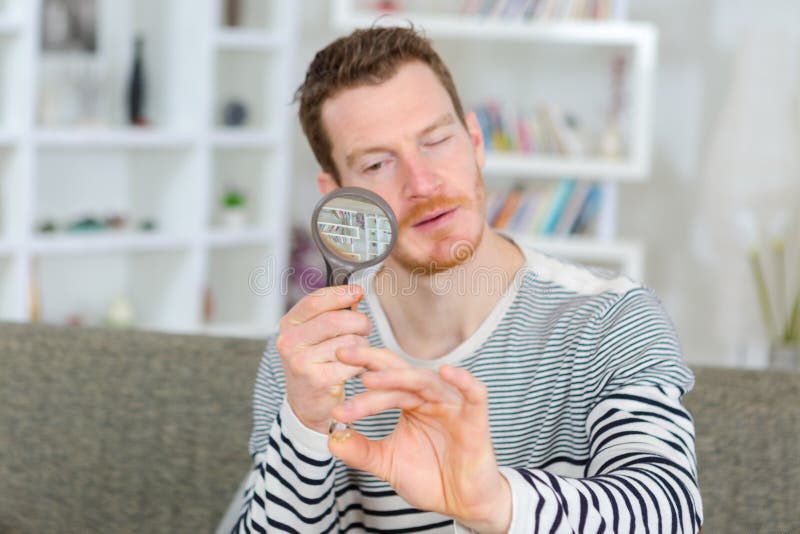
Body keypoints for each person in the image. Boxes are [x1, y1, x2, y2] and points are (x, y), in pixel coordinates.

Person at [231, 26, 703, 533]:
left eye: (436, 140)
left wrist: (494, 504)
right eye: (377, 163)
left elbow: (670, 513)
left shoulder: (612, 320)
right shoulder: (310, 360)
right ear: (338, 194)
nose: (423, 183)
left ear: (475, 141)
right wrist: (303, 426)